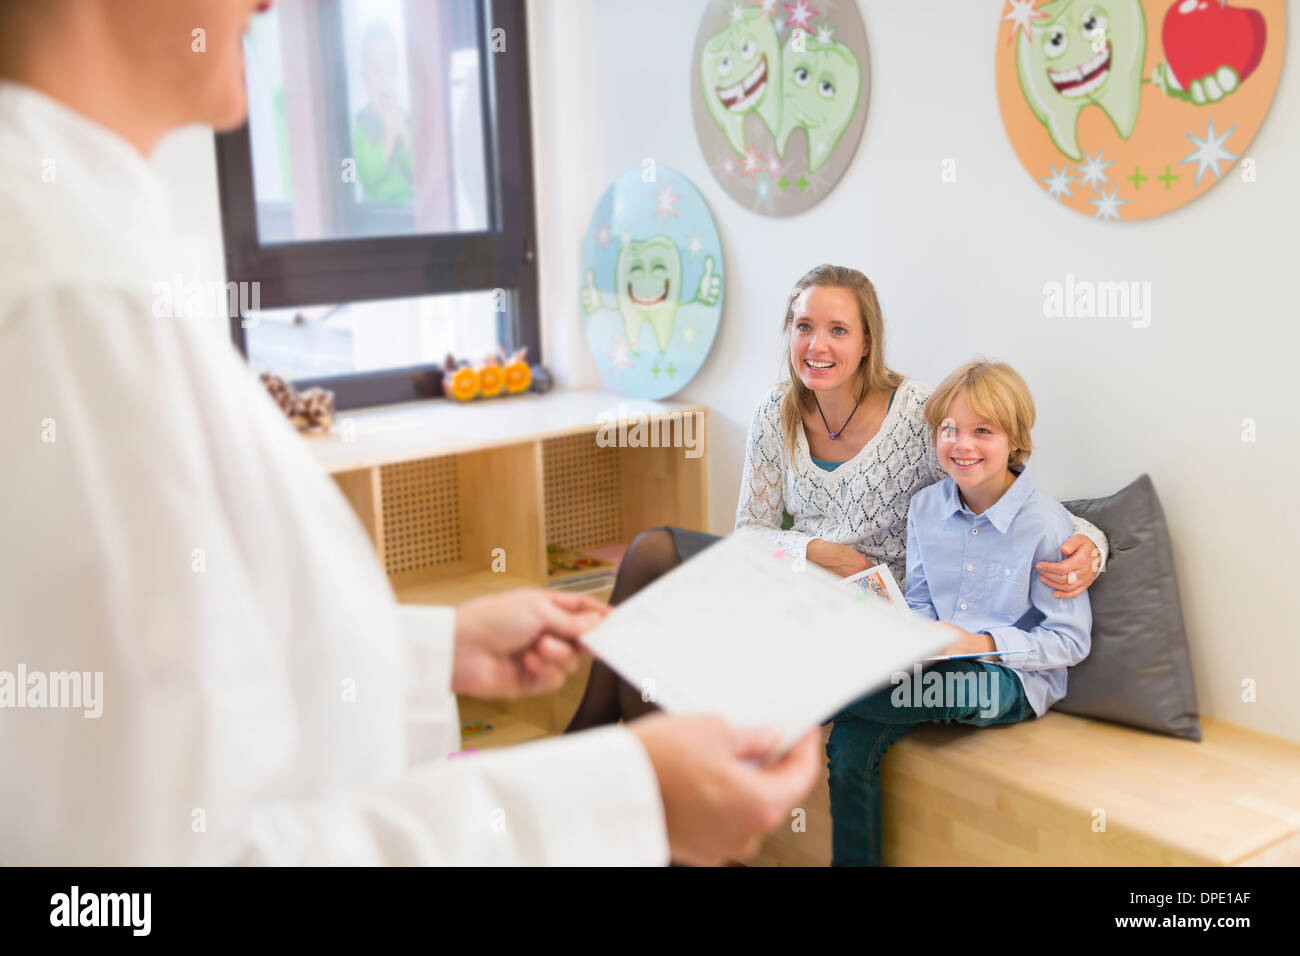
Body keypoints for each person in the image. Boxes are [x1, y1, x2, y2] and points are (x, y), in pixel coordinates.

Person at [0, 0, 820, 866]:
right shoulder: (68, 301)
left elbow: (213, 665)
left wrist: (439, 648)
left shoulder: (88, 248)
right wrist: (626, 801)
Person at [566, 265, 1107, 732]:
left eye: (837, 330)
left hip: (871, 606)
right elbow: (750, 533)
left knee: (692, 646)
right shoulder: (774, 410)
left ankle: (617, 764)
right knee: (653, 553)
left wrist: (1090, 542)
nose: (816, 346)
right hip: (791, 579)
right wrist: (815, 552)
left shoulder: (918, 413)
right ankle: (606, 744)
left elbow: (998, 485)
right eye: (804, 327)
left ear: (867, 342)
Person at [826, 359, 1092, 865]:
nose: (961, 444)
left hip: (1008, 679)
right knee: (848, 752)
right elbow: (923, 601)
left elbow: (1071, 642)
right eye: (949, 429)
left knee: (933, 686)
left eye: (981, 431)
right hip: (926, 666)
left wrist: (981, 644)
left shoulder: (1047, 526)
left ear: (1014, 439)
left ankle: (797, 705)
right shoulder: (925, 508)